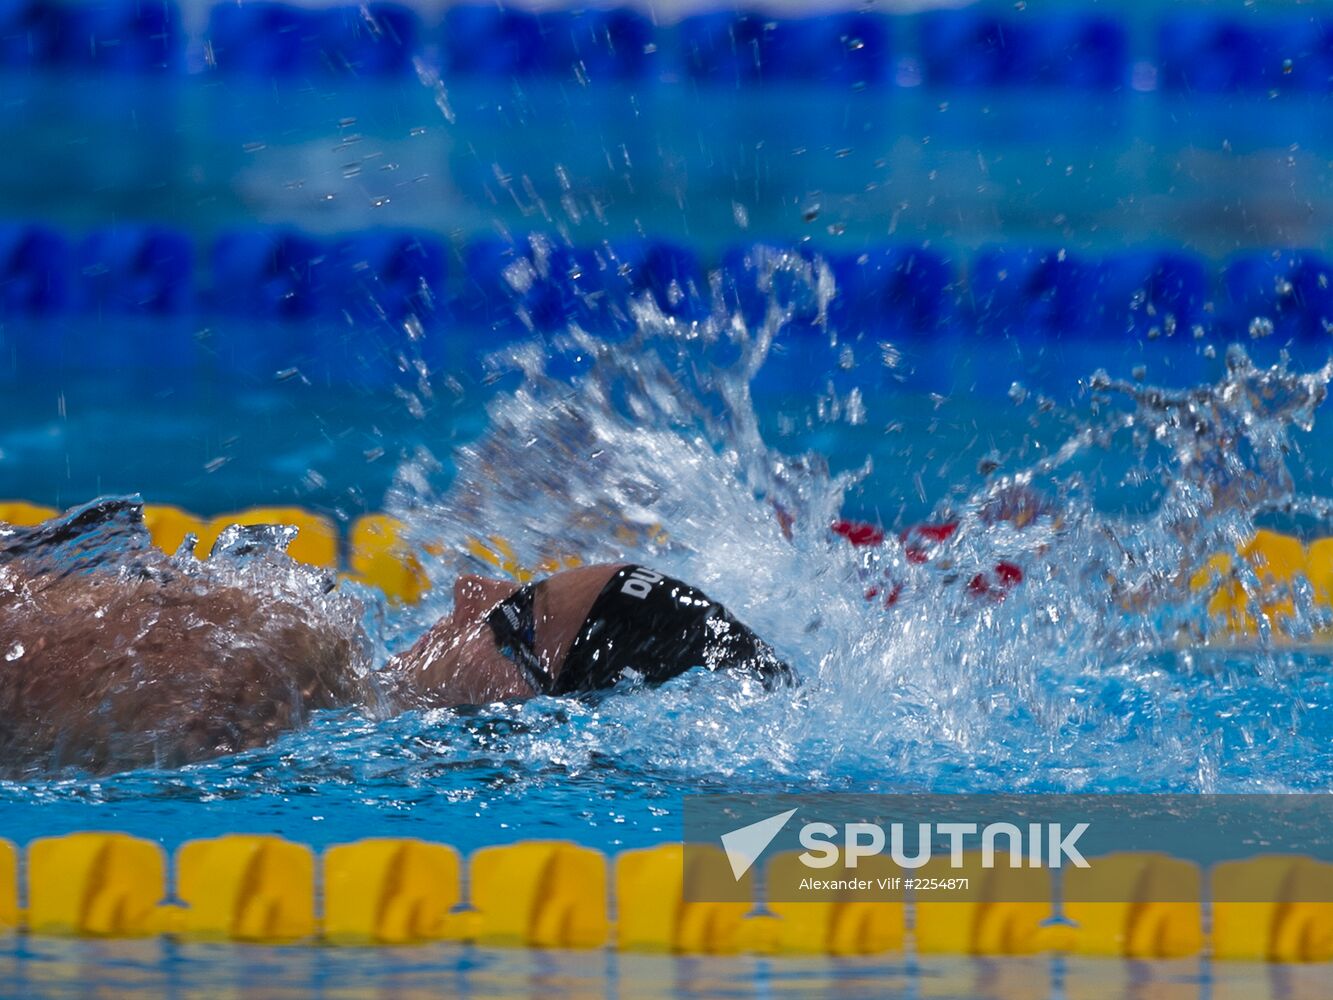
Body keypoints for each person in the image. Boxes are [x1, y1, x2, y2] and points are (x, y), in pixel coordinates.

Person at [0, 499, 792, 776]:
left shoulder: (276, 656)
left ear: (518, 695)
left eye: (514, 614)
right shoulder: (307, 700)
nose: (469, 587)